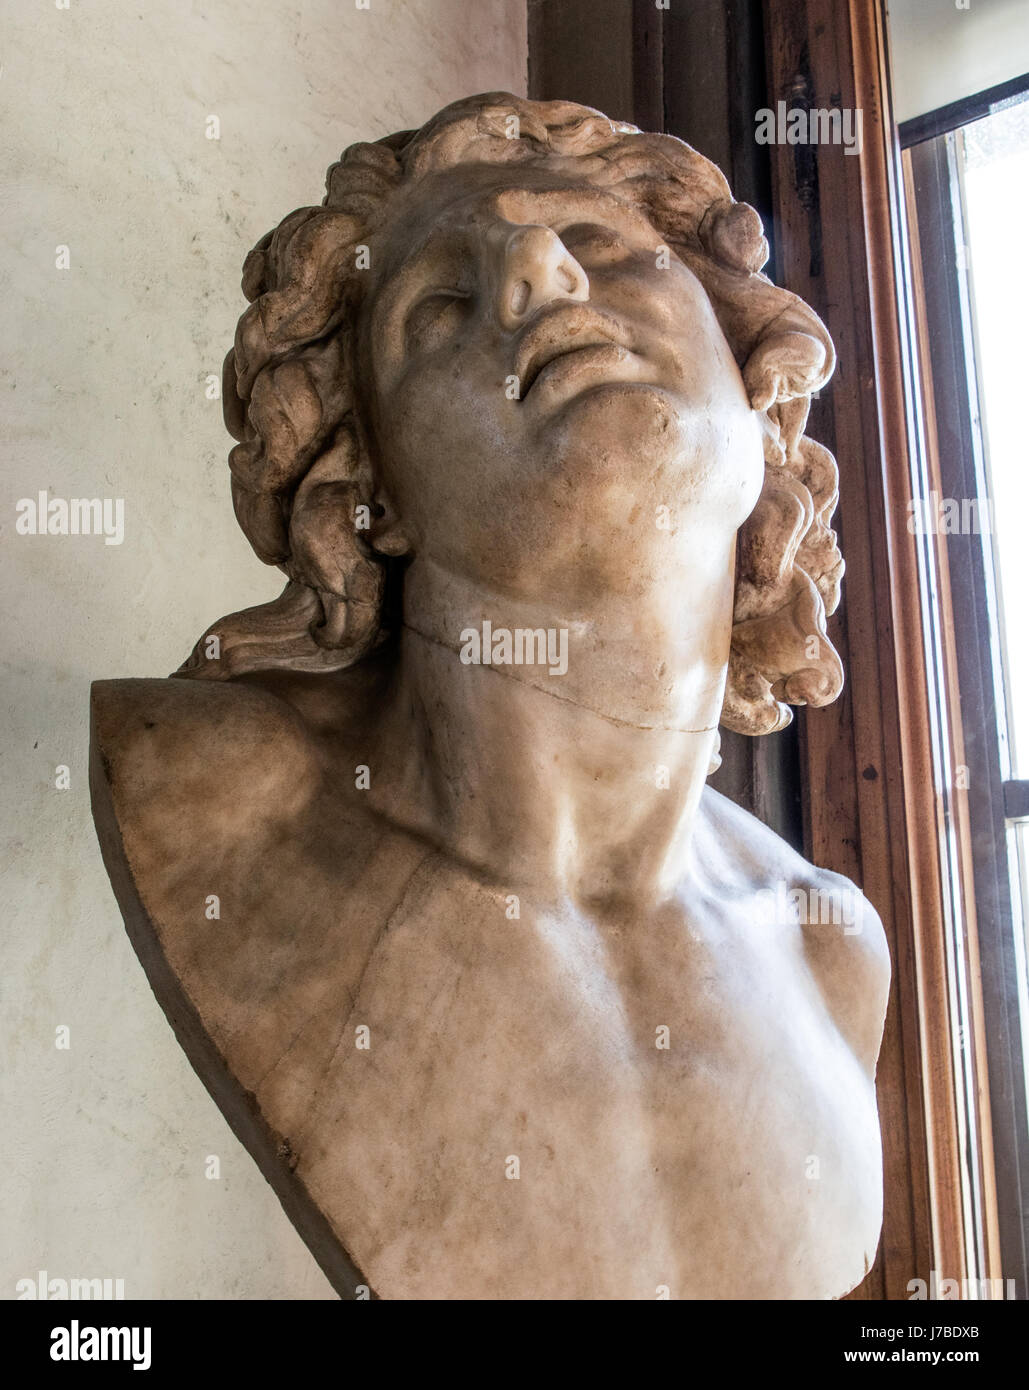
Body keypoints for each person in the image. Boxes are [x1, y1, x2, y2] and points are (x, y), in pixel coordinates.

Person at [91, 93, 889, 1300]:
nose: (538, 273)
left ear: (753, 379)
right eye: (439, 308)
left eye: (612, 250)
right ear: (375, 495)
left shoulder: (831, 953)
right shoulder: (194, 801)